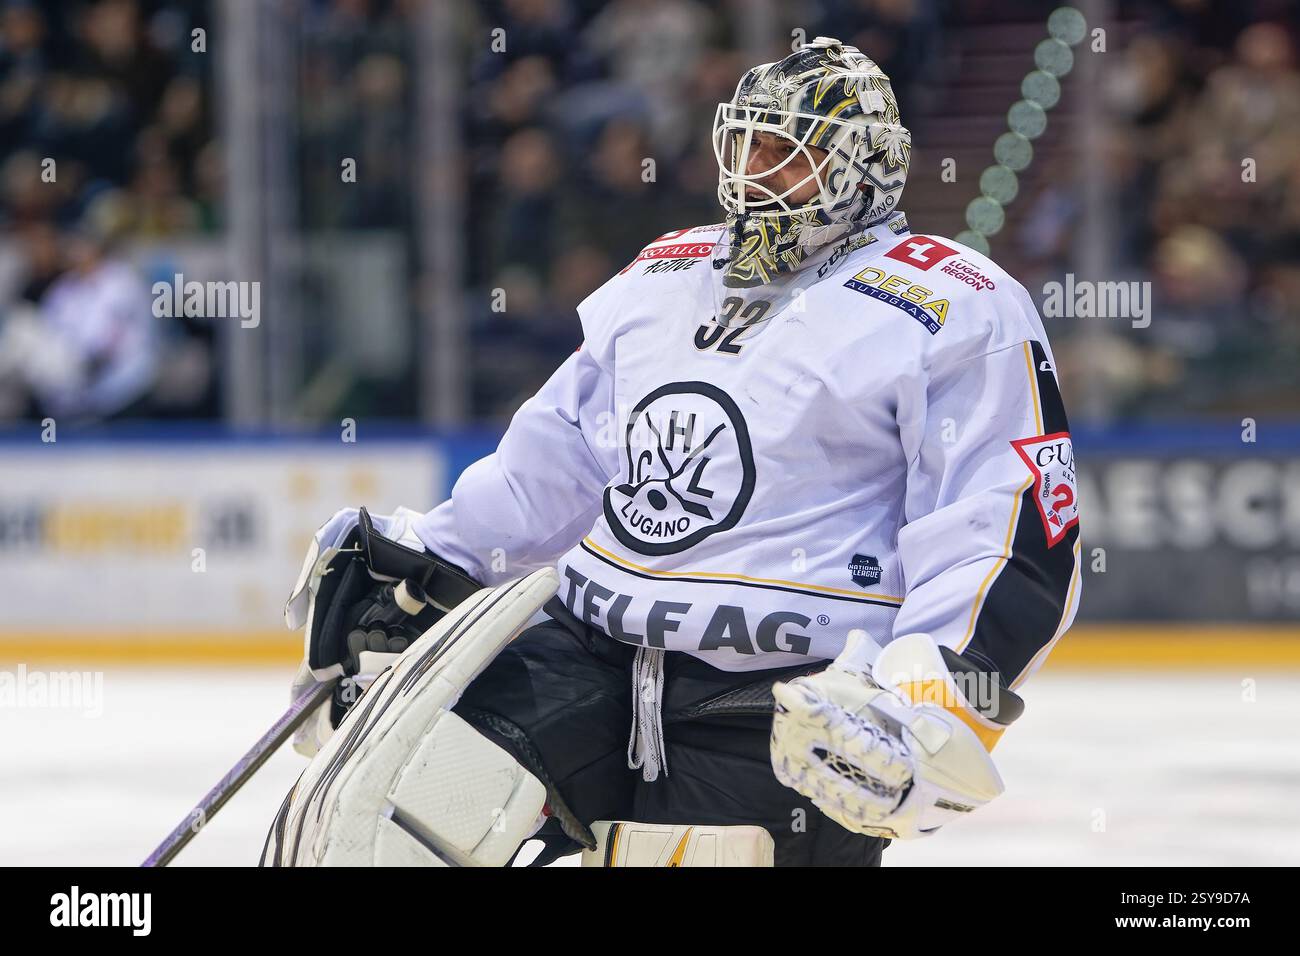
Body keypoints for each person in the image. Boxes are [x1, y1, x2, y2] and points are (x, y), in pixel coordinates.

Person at [264, 37, 1081, 868]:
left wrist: (928, 702)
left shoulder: (955, 306)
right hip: (586, 654)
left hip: (790, 704)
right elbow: (555, 459)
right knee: (379, 815)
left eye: (787, 153)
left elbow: (1003, 531)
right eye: (747, 144)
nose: (755, 172)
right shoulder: (666, 270)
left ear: (862, 172)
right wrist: (432, 564)